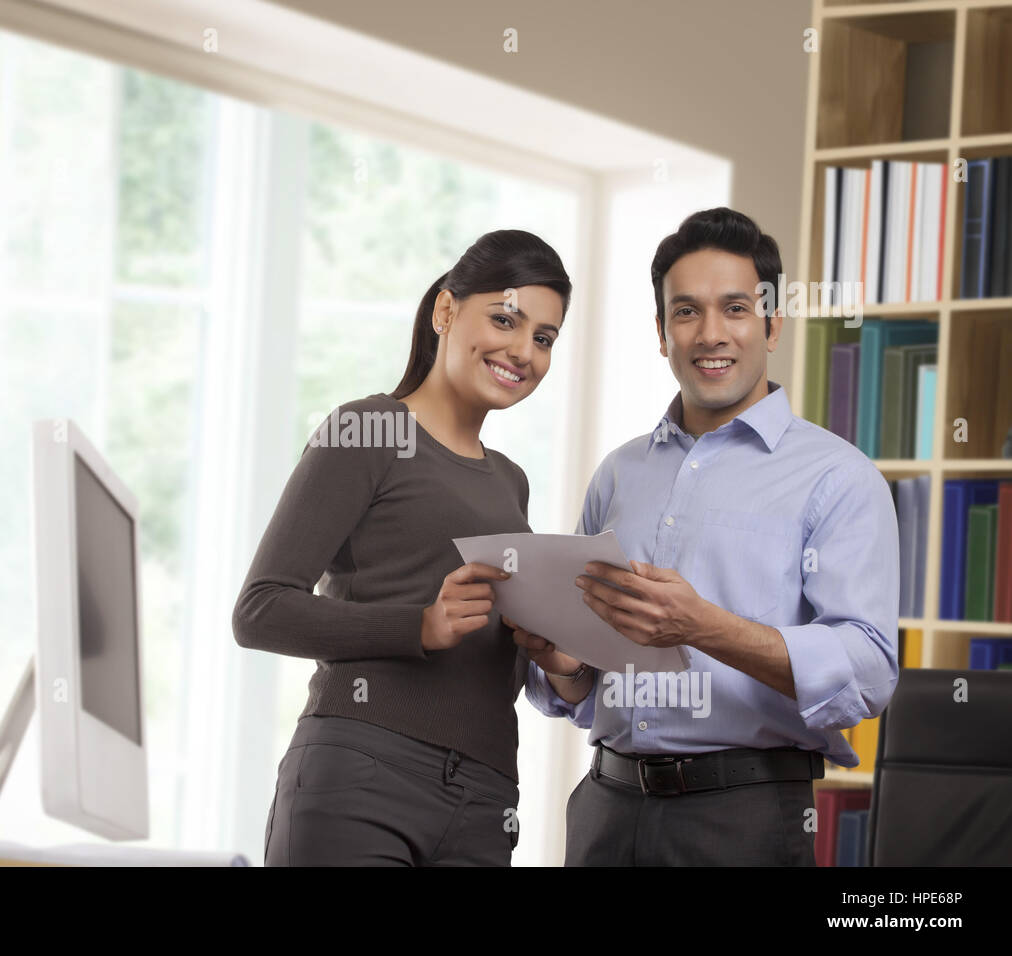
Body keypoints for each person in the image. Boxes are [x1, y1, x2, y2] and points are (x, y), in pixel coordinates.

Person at [513, 207, 898, 866]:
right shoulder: (619, 473)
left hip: (743, 818)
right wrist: (564, 660)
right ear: (662, 333)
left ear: (773, 324)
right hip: (605, 809)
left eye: (736, 308)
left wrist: (704, 626)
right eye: (686, 312)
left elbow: (867, 671)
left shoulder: (838, 478)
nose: (710, 333)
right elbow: (577, 690)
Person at [232, 229, 570, 866]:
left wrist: (560, 655)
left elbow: (487, 656)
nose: (523, 350)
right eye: (505, 319)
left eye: (544, 338)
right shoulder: (368, 430)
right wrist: (418, 624)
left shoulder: (511, 481)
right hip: (363, 775)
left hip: (485, 798)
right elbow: (260, 610)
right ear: (446, 311)